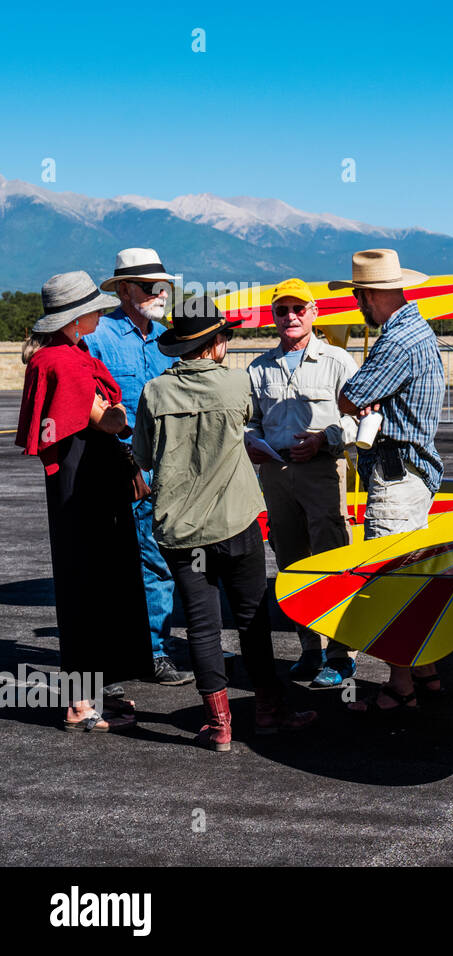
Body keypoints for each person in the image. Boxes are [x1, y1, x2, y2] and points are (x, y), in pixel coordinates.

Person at [133, 296, 317, 752]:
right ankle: (271, 708)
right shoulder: (237, 387)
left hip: (180, 528)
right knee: (252, 617)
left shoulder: (155, 392)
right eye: (225, 338)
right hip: (235, 522)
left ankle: (219, 725)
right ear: (216, 344)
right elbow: (251, 424)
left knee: (201, 626)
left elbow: (140, 456)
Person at [15, 272, 154, 733]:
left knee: (102, 584)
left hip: (89, 481)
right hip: (84, 486)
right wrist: (123, 420)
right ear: (76, 316)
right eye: (94, 306)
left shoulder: (68, 353)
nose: (101, 312)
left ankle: (95, 690)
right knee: (86, 588)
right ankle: (79, 702)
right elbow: (104, 421)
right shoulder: (65, 361)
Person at [331, 249, 445, 715]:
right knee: (413, 572)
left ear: (371, 294)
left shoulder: (396, 340)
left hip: (396, 475)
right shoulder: (418, 330)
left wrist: (358, 401)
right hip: (413, 473)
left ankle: (400, 687)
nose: (358, 304)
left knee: (390, 576)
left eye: (359, 295)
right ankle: (425, 671)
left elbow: (351, 395)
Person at [84, 248, 192, 687]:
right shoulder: (97, 338)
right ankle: (107, 662)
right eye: (151, 287)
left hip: (162, 474)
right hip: (112, 472)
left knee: (158, 565)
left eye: (162, 286)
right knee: (108, 566)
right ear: (125, 290)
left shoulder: (169, 338)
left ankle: (152, 653)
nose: (160, 293)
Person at [246, 278, 360, 687]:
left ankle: (341, 653)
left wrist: (323, 440)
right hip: (274, 474)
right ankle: (309, 649)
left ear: (314, 313)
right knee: (291, 562)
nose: (290, 317)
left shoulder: (339, 361)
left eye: (298, 309)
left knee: (333, 560)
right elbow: (250, 421)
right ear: (273, 317)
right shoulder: (257, 368)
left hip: (323, 469)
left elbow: (359, 418)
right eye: (282, 310)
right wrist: (251, 442)